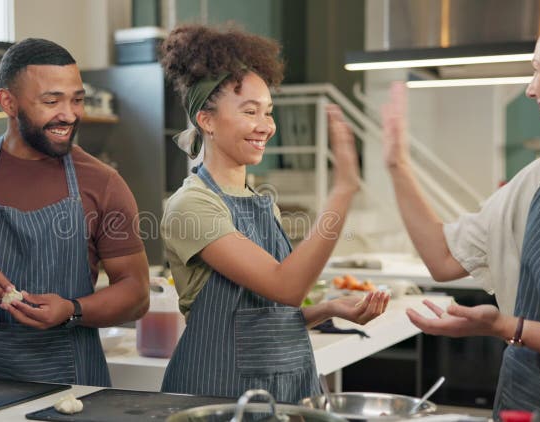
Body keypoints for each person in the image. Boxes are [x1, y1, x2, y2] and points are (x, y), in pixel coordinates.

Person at [381, 3, 540, 420]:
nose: (531, 89)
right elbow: (443, 259)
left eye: (539, 70)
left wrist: (508, 327)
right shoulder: (539, 180)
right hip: (519, 406)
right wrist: (397, 166)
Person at [158, 24, 390, 403]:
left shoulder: (262, 202)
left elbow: (266, 318)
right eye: (250, 111)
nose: (266, 126)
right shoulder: (192, 206)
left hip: (286, 387)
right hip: (219, 394)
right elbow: (286, 286)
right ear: (207, 120)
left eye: (268, 112)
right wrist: (342, 191)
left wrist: (330, 308)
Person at [0, 38, 149, 386]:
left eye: (77, 100)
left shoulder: (104, 183)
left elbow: (136, 293)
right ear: (8, 102)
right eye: (51, 101)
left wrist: (72, 309)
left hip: (76, 388)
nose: (69, 114)